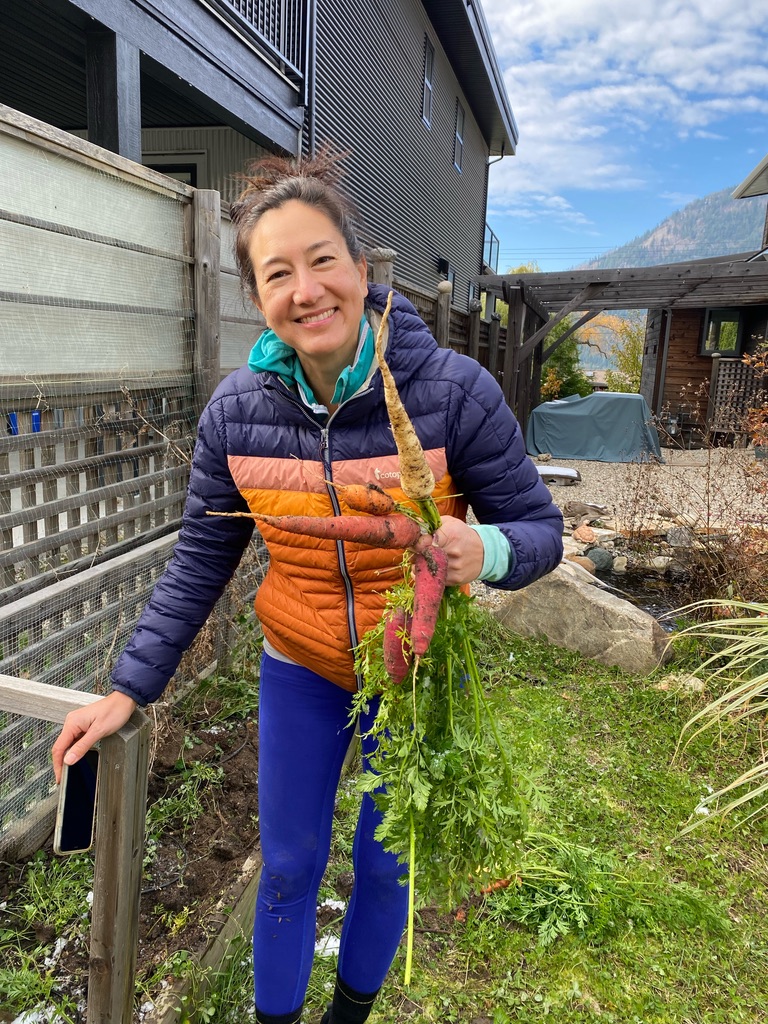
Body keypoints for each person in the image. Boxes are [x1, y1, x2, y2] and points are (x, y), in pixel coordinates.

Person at [52, 148, 564, 1024]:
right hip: (300, 663)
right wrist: (128, 687)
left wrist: (482, 548)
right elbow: (200, 560)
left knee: (386, 865)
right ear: (258, 298)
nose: (307, 289)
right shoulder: (235, 414)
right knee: (288, 865)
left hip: (414, 673)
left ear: (361, 270)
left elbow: (540, 532)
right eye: (278, 272)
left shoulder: (453, 393)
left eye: (323, 260)